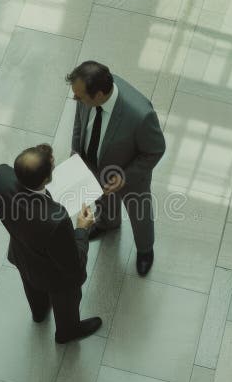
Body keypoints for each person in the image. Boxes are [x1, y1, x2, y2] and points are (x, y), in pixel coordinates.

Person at [0, 143, 102, 344]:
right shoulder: (56, 221)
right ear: (45, 180)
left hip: (22, 255)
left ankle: (39, 312)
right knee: (66, 298)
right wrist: (82, 229)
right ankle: (67, 332)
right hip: (54, 276)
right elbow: (74, 265)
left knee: (32, 284)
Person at [67, 60, 166, 276]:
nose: (75, 99)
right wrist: (76, 153)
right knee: (103, 201)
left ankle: (145, 250)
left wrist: (125, 177)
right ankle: (108, 223)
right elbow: (78, 124)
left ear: (100, 94)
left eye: (80, 96)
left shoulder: (141, 115)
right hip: (94, 165)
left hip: (129, 176)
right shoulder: (83, 92)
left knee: (139, 214)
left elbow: (155, 150)